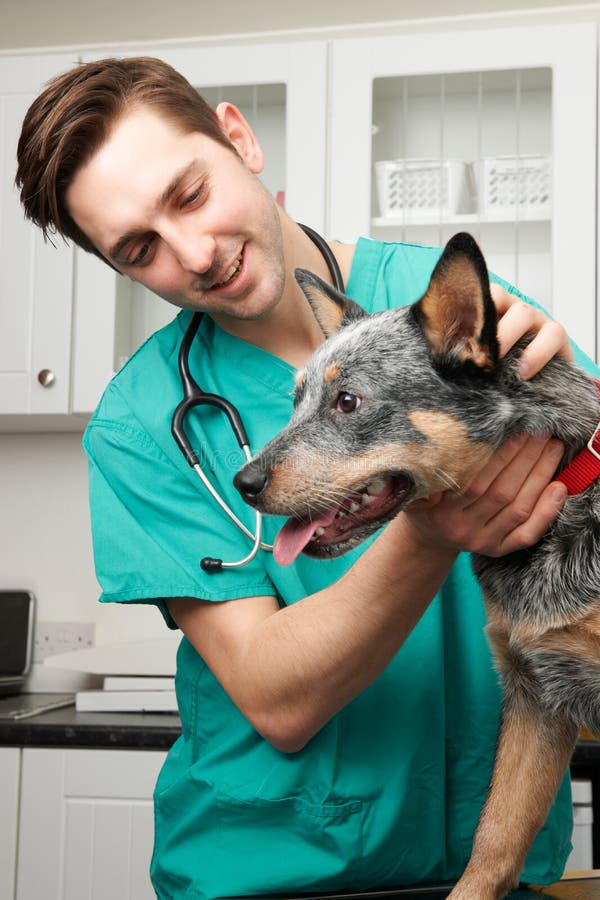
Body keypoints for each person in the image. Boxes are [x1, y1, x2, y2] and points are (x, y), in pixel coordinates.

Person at [16, 56, 596, 900]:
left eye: (189, 194)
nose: (197, 253)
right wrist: (430, 530)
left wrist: (565, 389)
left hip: (500, 869)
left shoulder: (463, 304)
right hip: (276, 872)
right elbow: (280, 701)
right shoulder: (140, 425)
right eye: (141, 248)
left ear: (239, 139)